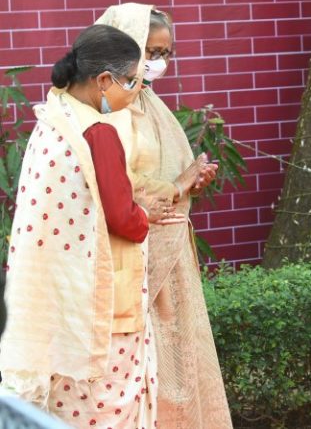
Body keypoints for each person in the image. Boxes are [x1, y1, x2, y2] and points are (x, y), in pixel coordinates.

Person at [0, 24, 185, 427]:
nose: (137, 89)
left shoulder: (53, 115)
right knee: (108, 408)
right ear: (104, 80)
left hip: (59, 300)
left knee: (65, 407)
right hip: (103, 305)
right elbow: (124, 220)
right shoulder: (99, 133)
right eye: (132, 80)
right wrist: (145, 215)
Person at [94, 3, 232, 428]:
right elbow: (121, 185)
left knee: (180, 364)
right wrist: (177, 186)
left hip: (170, 253)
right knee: (149, 368)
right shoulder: (109, 107)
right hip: (137, 258)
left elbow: (159, 175)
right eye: (150, 52)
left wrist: (190, 180)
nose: (158, 63)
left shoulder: (146, 99)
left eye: (166, 54)